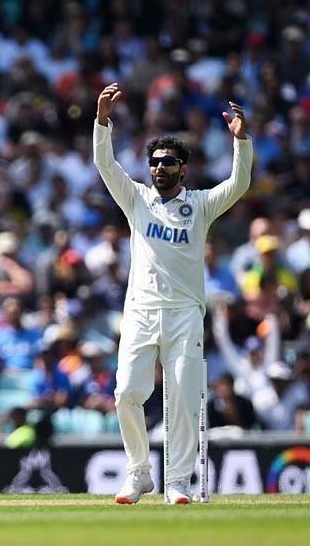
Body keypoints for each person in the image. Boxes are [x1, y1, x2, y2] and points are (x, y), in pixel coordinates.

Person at [93, 83, 252, 504]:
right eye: (154, 162)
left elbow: (238, 183)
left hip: (184, 313)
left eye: (167, 162)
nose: (158, 168)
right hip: (141, 310)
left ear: (183, 168)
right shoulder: (137, 200)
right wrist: (102, 121)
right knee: (126, 392)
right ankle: (139, 472)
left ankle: (178, 480)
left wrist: (241, 141)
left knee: (182, 399)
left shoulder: (199, 205)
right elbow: (106, 165)